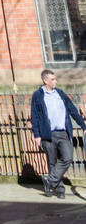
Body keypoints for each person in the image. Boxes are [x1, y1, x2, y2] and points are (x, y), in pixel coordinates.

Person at [30, 68, 86, 198]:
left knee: (67, 158)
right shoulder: (37, 95)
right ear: (45, 81)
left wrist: (83, 125)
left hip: (63, 133)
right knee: (52, 162)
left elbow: (73, 110)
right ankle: (59, 190)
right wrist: (37, 135)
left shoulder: (60, 93)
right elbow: (35, 116)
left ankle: (49, 180)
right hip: (48, 134)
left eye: (55, 79)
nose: (56, 81)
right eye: (53, 79)